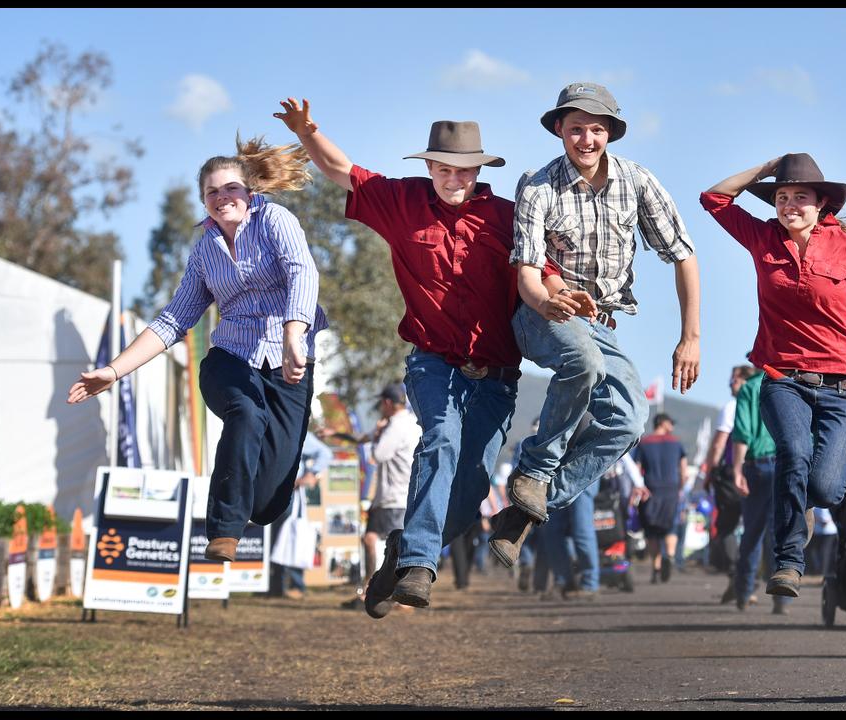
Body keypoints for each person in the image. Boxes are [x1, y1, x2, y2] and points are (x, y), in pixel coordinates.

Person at [274, 99, 572, 616]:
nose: (453, 177)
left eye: (463, 169)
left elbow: (541, 268)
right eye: (443, 168)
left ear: (479, 170)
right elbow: (341, 171)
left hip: (497, 373)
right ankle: (418, 565)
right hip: (433, 362)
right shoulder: (400, 201)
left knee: (475, 481)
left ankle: (401, 554)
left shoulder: (508, 217)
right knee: (440, 442)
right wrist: (306, 134)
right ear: (429, 167)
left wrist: (558, 293)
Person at [68, 138, 325, 564]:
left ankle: (249, 510)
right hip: (230, 359)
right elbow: (173, 320)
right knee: (246, 412)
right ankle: (222, 530)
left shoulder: (275, 220)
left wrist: (293, 333)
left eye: (230, 189)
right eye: (212, 192)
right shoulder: (205, 250)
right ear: (204, 201)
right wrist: (112, 372)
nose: (222, 197)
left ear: (249, 193)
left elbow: (302, 271)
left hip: (288, 360)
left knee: (269, 503)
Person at [491, 82, 701, 565]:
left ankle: (526, 510)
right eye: (576, 129)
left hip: (603, 322)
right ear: (560, 131)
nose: (586, 139)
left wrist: (690, 337)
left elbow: (683, 257)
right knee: (580, 359)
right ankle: (535, 467)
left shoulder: (638, 181)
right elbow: (525, 271)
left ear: (610, 133)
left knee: (629, 420)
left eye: (597, 129)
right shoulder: (538, 185)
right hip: (543, 313)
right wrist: (548, 302)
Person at [701, 152, 846, 599]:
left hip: (841, 388)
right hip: (782, 377)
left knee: (825, 486)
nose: (789, 206)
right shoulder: (763, 238)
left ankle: (802, 505)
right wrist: (763, 172)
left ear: (822, 203)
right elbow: (713, 199)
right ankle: (788, 562)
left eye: (799, 197)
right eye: (782, 197)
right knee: (793, 451)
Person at [720, 367, 788, 614]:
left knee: (752, 533)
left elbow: (742, 433)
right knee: (778, 533)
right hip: (785, 463)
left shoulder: (749, 388)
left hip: (757, 465)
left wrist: (736, 469)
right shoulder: (789, 382)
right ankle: (782, 598)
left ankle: (744, 591)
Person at [704, 365, 757, 572]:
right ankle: (748, 579)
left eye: (734, 379)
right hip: (758, 467)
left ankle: (736, 574)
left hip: (731, 472)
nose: (729, 383)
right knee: (755, 526)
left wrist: (710, 471)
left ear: (745, 381)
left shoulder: (732, 406)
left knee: (727, 526)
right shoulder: (763, 403)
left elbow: (718, 443)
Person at [273, 427, 333, 600]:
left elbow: (325, 453)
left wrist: (311, 474)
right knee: (280, 536)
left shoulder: (296, 430)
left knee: (291, 535)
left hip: (289, 493)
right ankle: (278, 585)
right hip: (275, 491)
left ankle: (294, 585)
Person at [633, 413, 688, 584]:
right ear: (662, 423)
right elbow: (684, 471)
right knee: (670, 526)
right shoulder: (676, 442)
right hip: (671, 489)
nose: (672, 425)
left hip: (651, 490)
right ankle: (669, 556)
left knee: (652, 531)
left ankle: (656, 569)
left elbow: (636, 469)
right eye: (670, 422)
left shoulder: (644, 443)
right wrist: (680, 487)